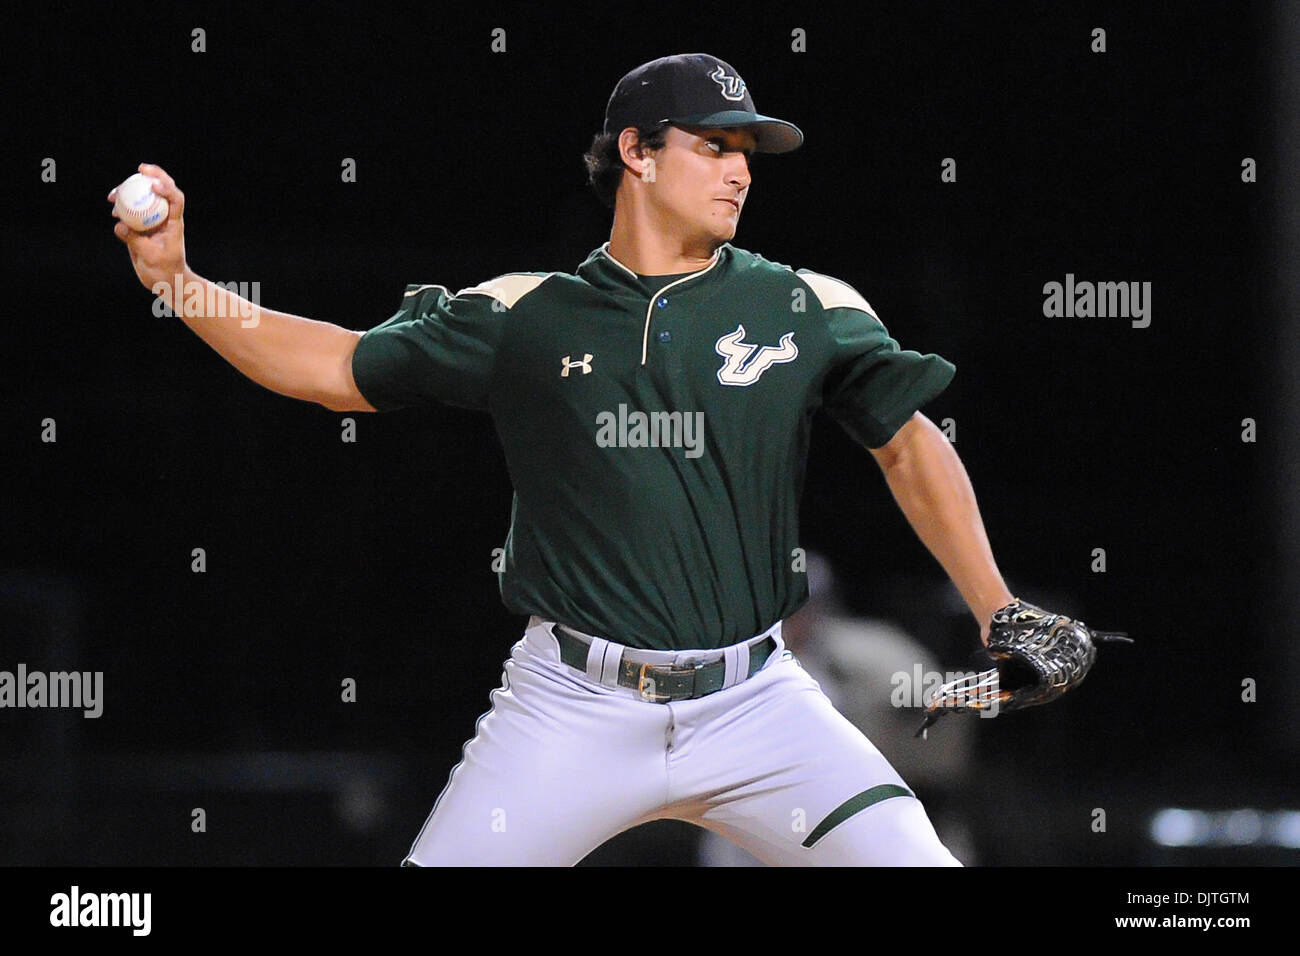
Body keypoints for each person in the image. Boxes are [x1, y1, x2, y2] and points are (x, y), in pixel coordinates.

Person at [110, 52, 1015, 866]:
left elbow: (907, 443)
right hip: (572, 705)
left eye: (747, 150)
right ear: (637, 151)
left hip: (760, 703)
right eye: (713, 144)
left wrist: (1001, 612)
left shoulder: (804, 304)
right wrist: (180, 284)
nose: (741, 170)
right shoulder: (525, 316)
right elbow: (334, 368)